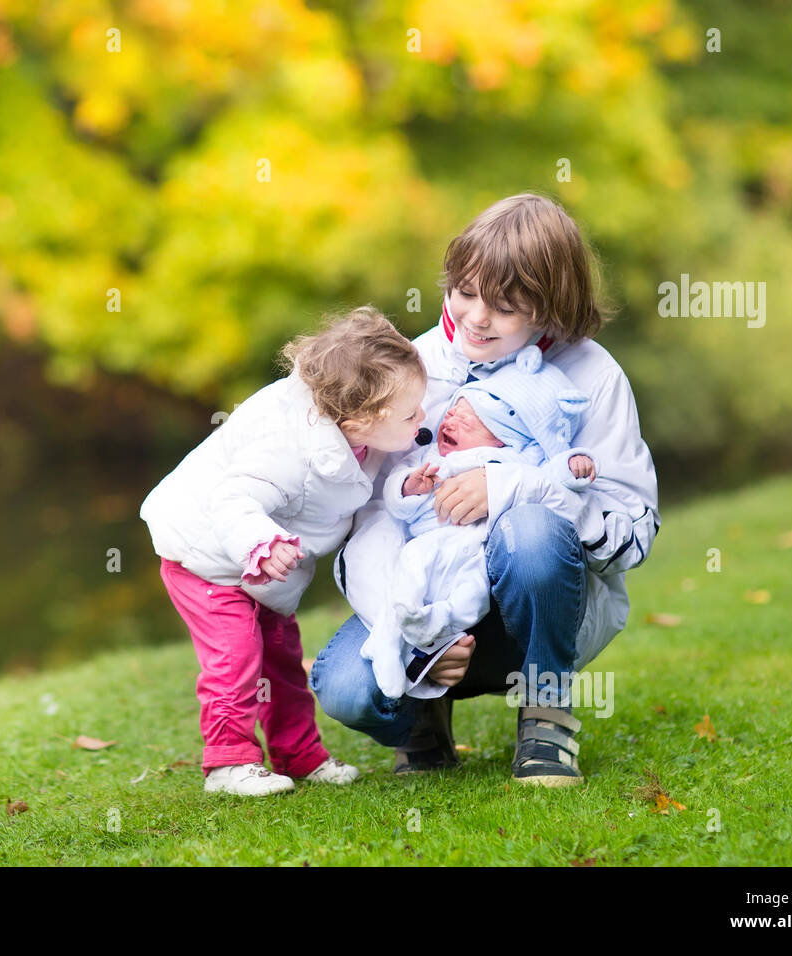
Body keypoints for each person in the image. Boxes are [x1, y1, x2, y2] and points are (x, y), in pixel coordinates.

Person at [309, 193, 660, 787]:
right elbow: (365, 523)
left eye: (504, 307)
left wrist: (518, 487)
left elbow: (635, 533)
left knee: (530, 530)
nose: (475, 318)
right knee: (344, 690)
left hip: (545, 601)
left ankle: (546, 715)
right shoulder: (409, 364)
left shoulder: (593, 376)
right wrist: (418, 634)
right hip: (425, 599)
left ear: (551, 307)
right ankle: (421, 711)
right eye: (464, 292)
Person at [139, 307, 428, 795]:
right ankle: (228, 763)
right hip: (206, 552)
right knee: (236, 654)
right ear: (361, 418)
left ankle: (299, 755)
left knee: (282, 660)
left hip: (264, 570)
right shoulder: (288, 446)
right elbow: (233, 498)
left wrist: (407, 485)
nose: (422, 421)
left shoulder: (357, 430)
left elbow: (362, 490)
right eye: (411, 415)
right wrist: (261, 542)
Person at [364, 350, 599, 700]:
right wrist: (409, 487)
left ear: (505, 437)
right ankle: (389, 640)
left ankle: (439, 629)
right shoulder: (429, 460)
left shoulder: (516, 459)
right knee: (407, 576)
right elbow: (396, 502)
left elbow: (554, 476)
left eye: (468, 422)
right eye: (452, 413)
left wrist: (574, 464)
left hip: (474, 556)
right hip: (428, 546)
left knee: (472, 598)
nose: (450, 423)